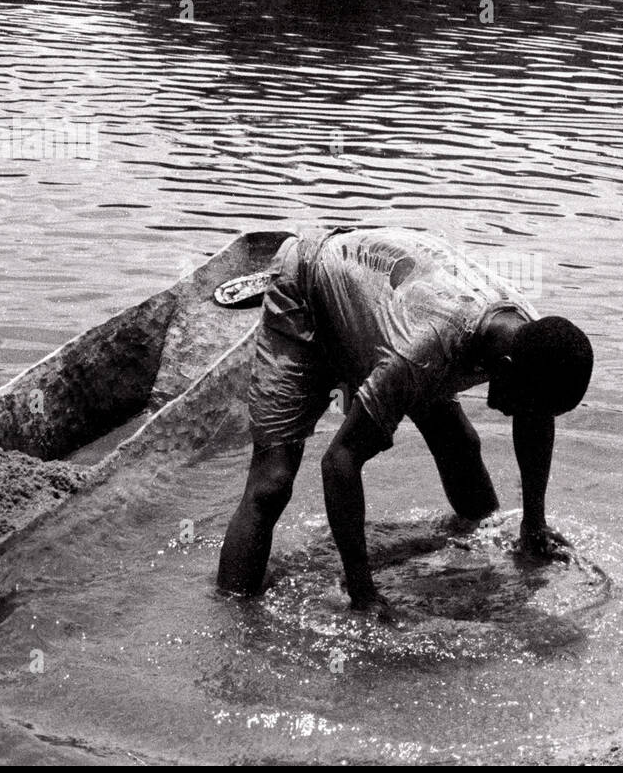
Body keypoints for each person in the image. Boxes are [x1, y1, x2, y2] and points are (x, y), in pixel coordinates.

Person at [218, 227, 595, 611]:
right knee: (272, 484)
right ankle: (231, 615)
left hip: (400, 307)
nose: (521, 415)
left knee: (460, 444)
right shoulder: (421, 351)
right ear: (506, 367)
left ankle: (477, 541)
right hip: (307, 289)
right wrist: (363, 592)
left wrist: (534, 523)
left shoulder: (529, 336)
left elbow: (536, 416)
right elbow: (339, 462)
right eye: (524, 404)